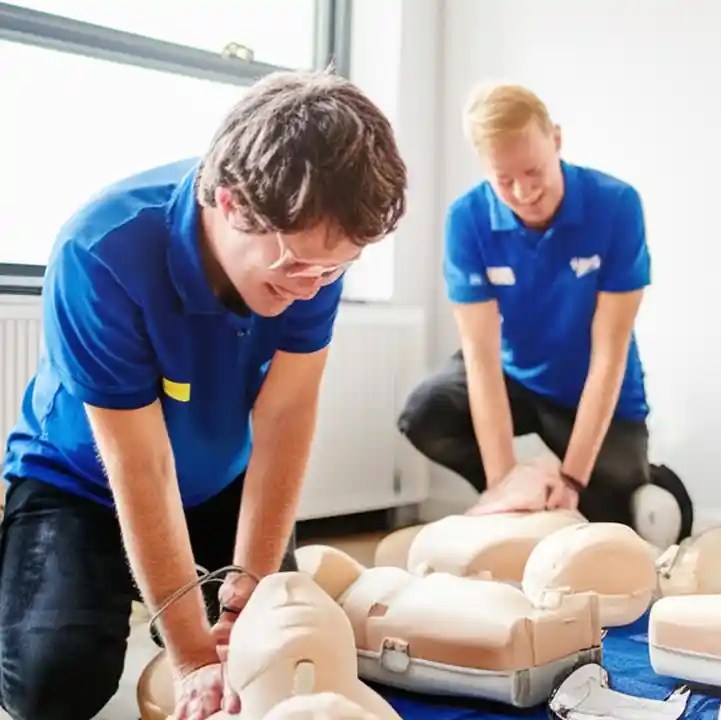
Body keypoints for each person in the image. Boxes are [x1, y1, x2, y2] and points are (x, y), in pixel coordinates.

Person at [0, 70, 407, 720]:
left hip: (218, 479)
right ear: (230, 203)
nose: (313, 287)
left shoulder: (316, 249)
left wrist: (247, 585)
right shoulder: (101, 252)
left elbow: (285, 417)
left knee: (275, 649)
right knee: (54, 683)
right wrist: (192, 654)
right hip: (78, 484)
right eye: (298, 265)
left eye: (335, 269)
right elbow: (142, 464)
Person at [397, 83, 682, 532]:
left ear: (557, 140)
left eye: (533, 171)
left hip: (591, 385)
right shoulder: (466, 219)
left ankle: (632, 475)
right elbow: (481, 359)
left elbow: (609, 355)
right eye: (504, 180)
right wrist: (503, 486)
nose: (524, 192)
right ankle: (528, 486)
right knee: (426, 414)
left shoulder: (617, 204)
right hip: (514, 375)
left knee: (609, 503)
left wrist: (571, 478)